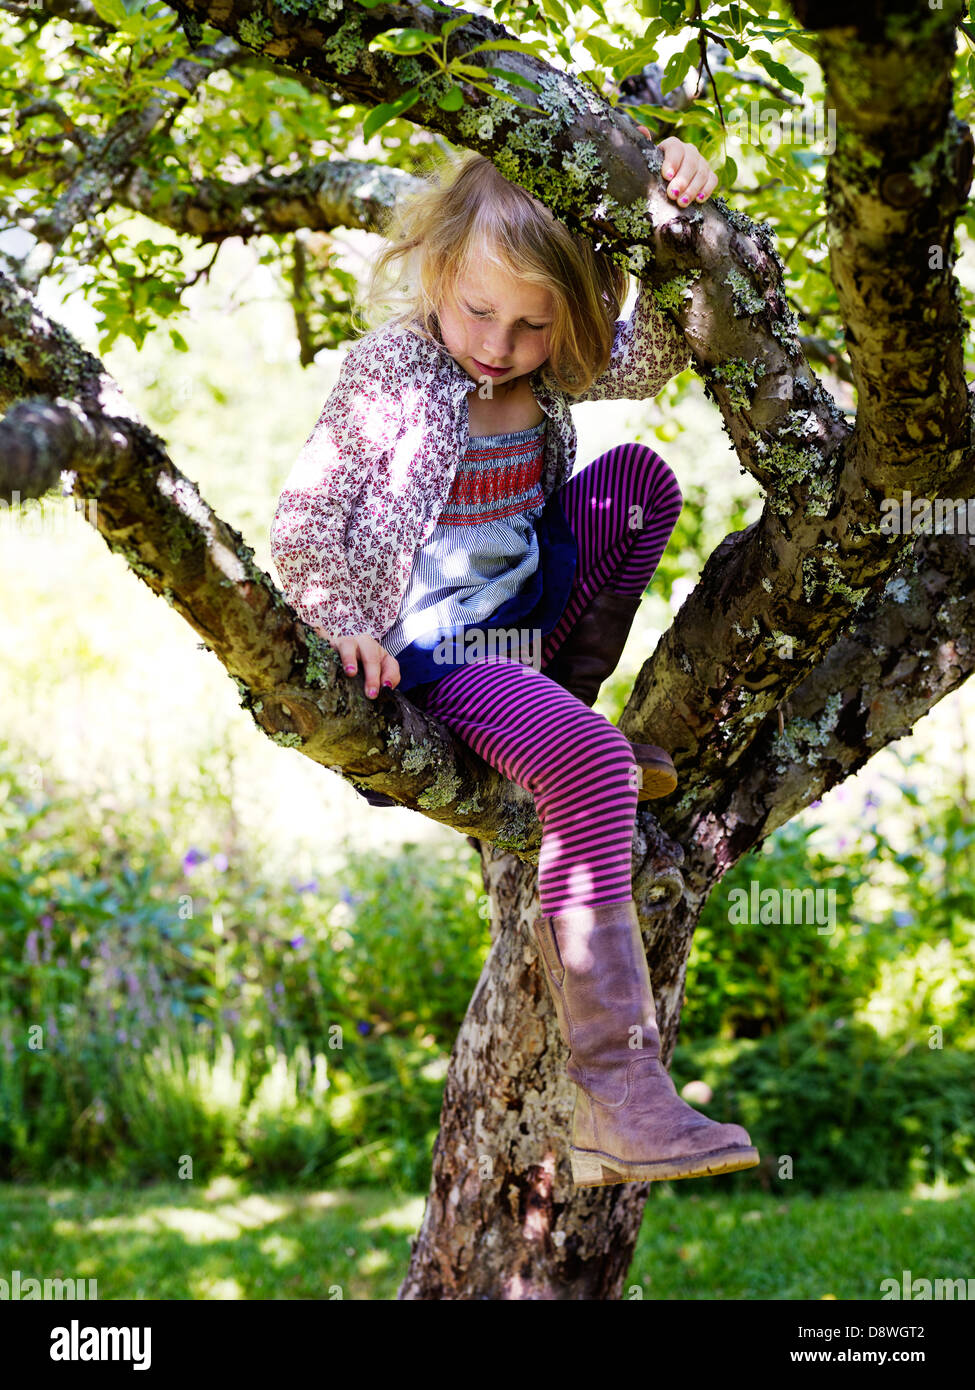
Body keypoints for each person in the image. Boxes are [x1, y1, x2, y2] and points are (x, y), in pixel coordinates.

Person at [269, 130, 759, 1187]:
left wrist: (675, 211)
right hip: (435, 654)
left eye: (535, 323)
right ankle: (619, 1094)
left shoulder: (555, 369)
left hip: (519, 634)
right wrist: (345, 621)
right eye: (480, 310)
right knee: (590, 767)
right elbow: (308, 521)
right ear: (439, 272)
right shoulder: (391, 370)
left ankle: (561, 726)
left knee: (638, 483)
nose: (499, 342)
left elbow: (669, 342)